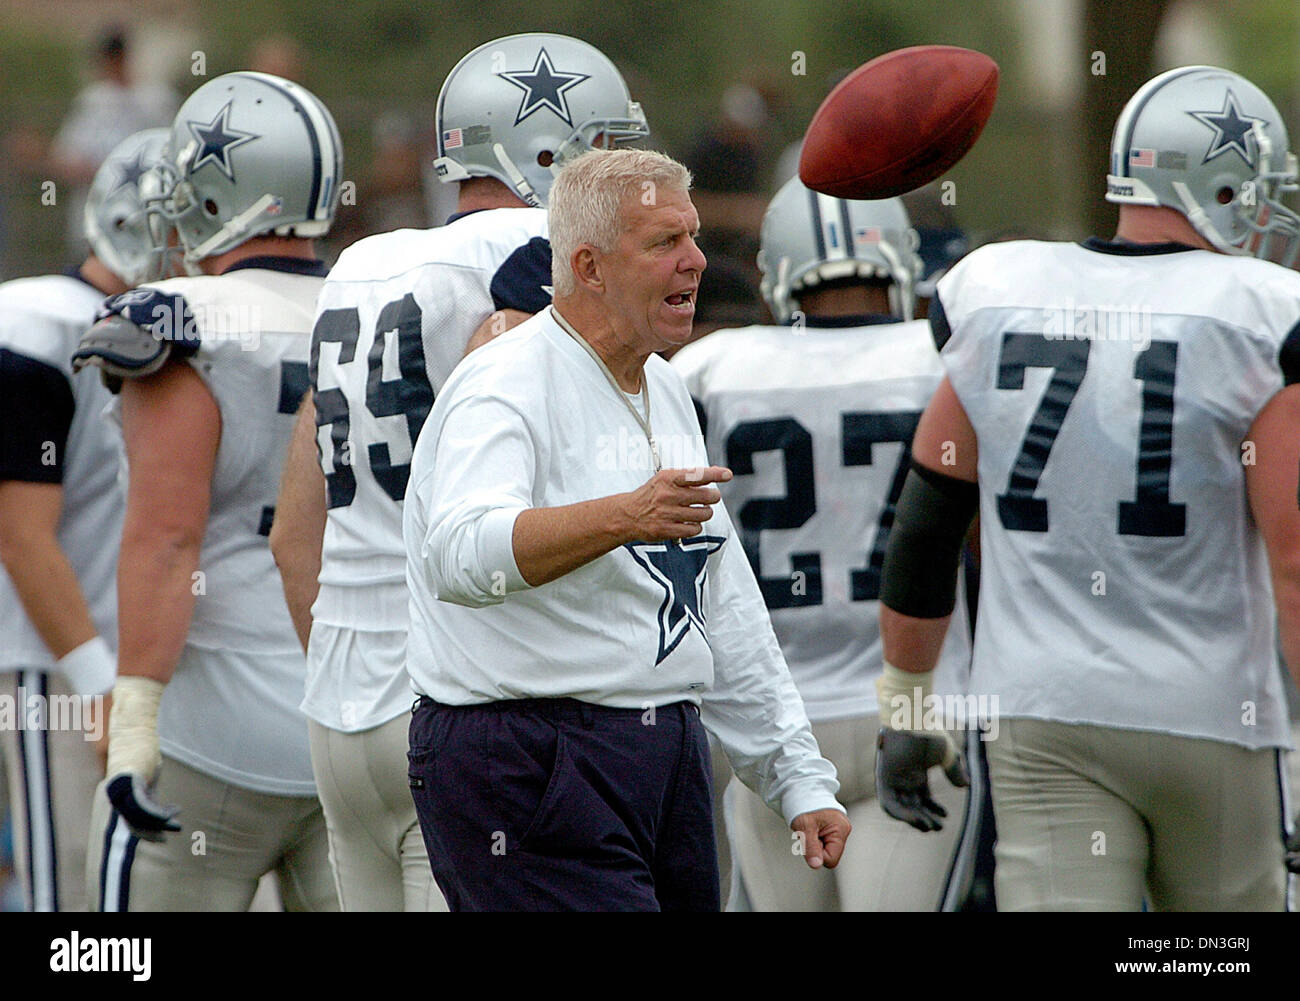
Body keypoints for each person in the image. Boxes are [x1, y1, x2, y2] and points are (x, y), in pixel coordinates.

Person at [876, 64, 1300, 910]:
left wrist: (910, 704)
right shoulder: (1260, 312)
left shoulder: (999, 294)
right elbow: (1295, 559)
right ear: (1222, 184)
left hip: (1044, 712)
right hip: (1211, 715)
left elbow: (925, 523)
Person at [402, 147, 849, 912]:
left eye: (695, 236)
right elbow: (459, 554)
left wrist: (794, 771)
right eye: (664, 242)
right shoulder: (505, 383)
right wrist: (625, 516)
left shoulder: (665, 387)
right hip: (528, 753)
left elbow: (718, 598)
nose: (697, 261)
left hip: (659, 749)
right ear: (590, 266)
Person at [267, 33, 647, 912]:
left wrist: (343, 673)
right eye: (615, 151)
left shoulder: (358, 267)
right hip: (468, 704)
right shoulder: (547, 266)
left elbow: (294, 537)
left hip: (340, 711)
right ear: (559, 151)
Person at [74, 71, 343, 912]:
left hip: (209, 732)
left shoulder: (178, 317)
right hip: (353, 724)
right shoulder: (377, 303)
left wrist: (134, 715)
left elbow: (167, 538)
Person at [672, 178, 976, 911]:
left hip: (767, 720)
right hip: (913, 710)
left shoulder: (710, 371)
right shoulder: (944, 363)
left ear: (777, 274)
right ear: (901, 260)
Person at [0, 128, 168, 911]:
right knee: (64, 899)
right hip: (59, 667)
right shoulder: (40, 325)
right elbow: (21, 535)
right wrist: (100, 686)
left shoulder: (184, 323)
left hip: (155, 666)